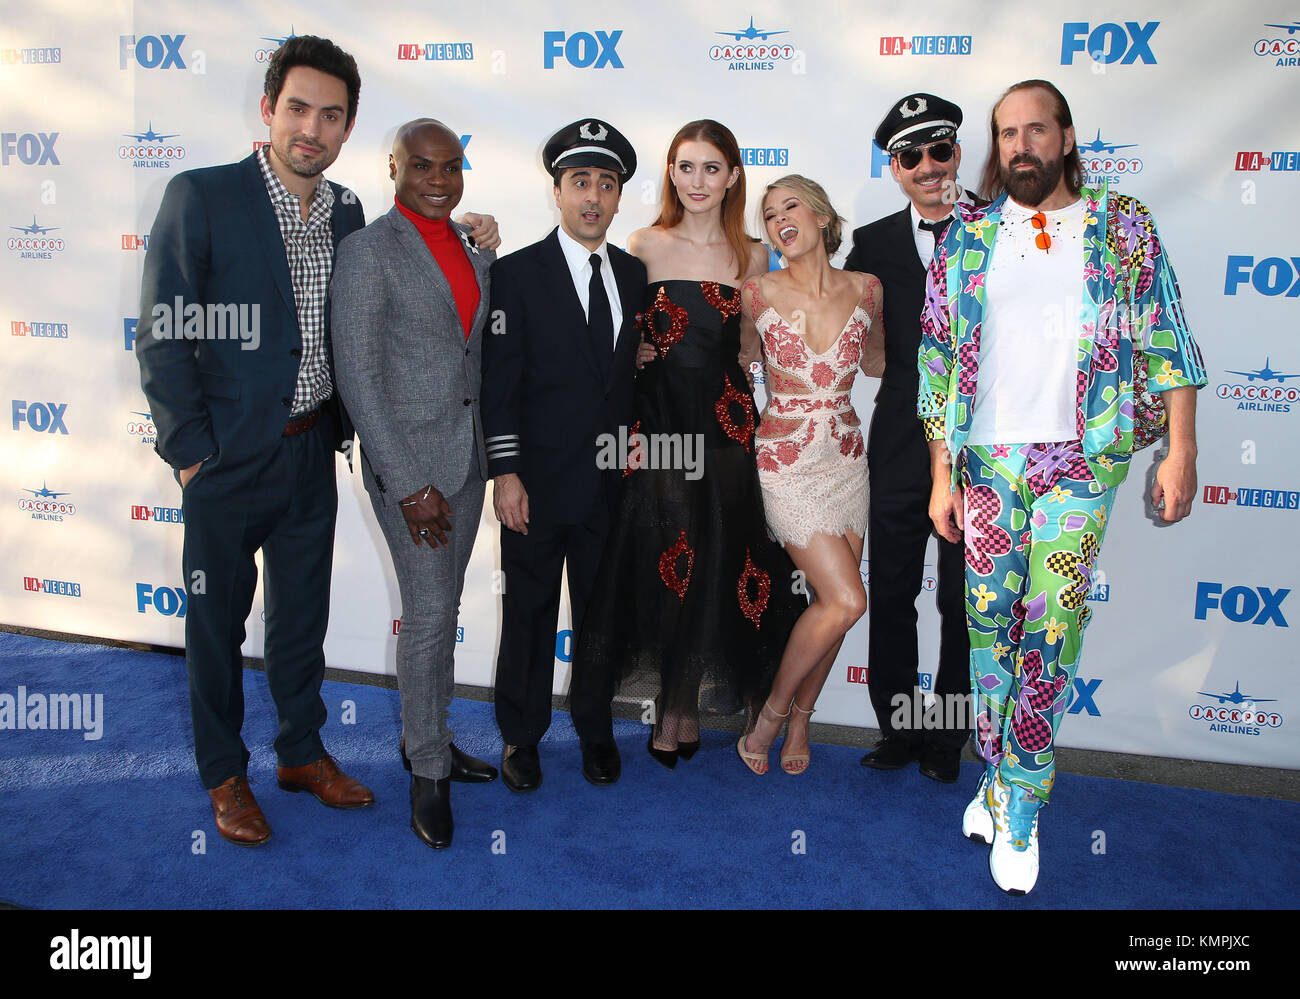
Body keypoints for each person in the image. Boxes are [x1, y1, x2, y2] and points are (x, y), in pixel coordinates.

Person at [134, 36, 498, 848]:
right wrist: (191, 453)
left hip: (310, 451)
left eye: (331, 116)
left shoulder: (345, 213)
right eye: (298, 108)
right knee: (217, 625)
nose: (312, 127)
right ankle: (226, 773)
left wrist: (472, 234)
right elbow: (163, 333)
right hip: (226, 458)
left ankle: (300, 751)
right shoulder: (202, 195)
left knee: (302, 621)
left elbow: (396, 299)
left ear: (348, 130)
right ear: (269, 109)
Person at [919, 79, 1206, 893]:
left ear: (1067, 137)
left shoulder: (1122, 226)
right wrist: (942, 472)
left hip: (1081, 461)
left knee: (1051, 630)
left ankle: (1022, 803)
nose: (1019, 147)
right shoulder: (968, 234)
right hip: (987, 464)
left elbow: (1169, 335)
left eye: (1035, 130)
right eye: (1006, 133)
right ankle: (1000, 771)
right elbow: (937, 362)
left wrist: (1180, 449)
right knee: (987, 631)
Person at [566, 120, 801, 771]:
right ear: (671, 173)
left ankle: (686, 712)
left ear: (732, 177)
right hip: (658, 426)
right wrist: (632, 352)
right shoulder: (642, 244)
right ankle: (671, 708)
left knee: (721, 566)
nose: (698, 181)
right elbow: (612, 333)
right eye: (686, 166)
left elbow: (752, 348)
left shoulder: (752, 256)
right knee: (670, 564)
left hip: (726, 425)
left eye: (712, 168)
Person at [330, 120, 501, 851]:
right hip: (412, 473)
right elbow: (359, 379)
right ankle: (427, 768)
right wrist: (405, 482)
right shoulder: (367, 252)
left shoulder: (468, 244)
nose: (439, 180)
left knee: (443, 607)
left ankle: (427, 736)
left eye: (451, 167)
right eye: (423, 167)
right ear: (394, 166)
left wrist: (485, 248)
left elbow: (466, 346)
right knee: (431, 616)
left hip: (464, 459)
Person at [481, 119, 647, 791]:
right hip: (537, 484)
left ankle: (595, 728)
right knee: (528, 612)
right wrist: (505, 471)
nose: (593, 196)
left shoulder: (634, 275)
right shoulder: (517, 274)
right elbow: (498, 381)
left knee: (601, 616)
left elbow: (626, 375)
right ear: (557, 190)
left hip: (609, 485)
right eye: (580, 181)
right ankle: (521, 735)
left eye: (606, 184)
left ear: (616, 198)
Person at [843, 94, 983, 783]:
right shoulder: (869, 244)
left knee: (962, 599)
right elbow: (841, 328)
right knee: (893, 590)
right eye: (911, 156)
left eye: (940, 150)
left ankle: (947, 737)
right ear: (895, 169)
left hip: (985, 444)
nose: (928, 167)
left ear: (958, 153)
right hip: (900, 436)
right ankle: (899, 729)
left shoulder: (1005, 229)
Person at [738, 176, 885, 775]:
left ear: (822, 216)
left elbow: (879, 362)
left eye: (789, 207)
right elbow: (739, 357)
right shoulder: (758, 293)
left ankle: (803, 717)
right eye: (769, 216)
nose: (779, 221)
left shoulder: (867, 289)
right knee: (848, 598)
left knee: (836, 603)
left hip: (847, 456)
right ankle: (771, 715)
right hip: (786, 461)